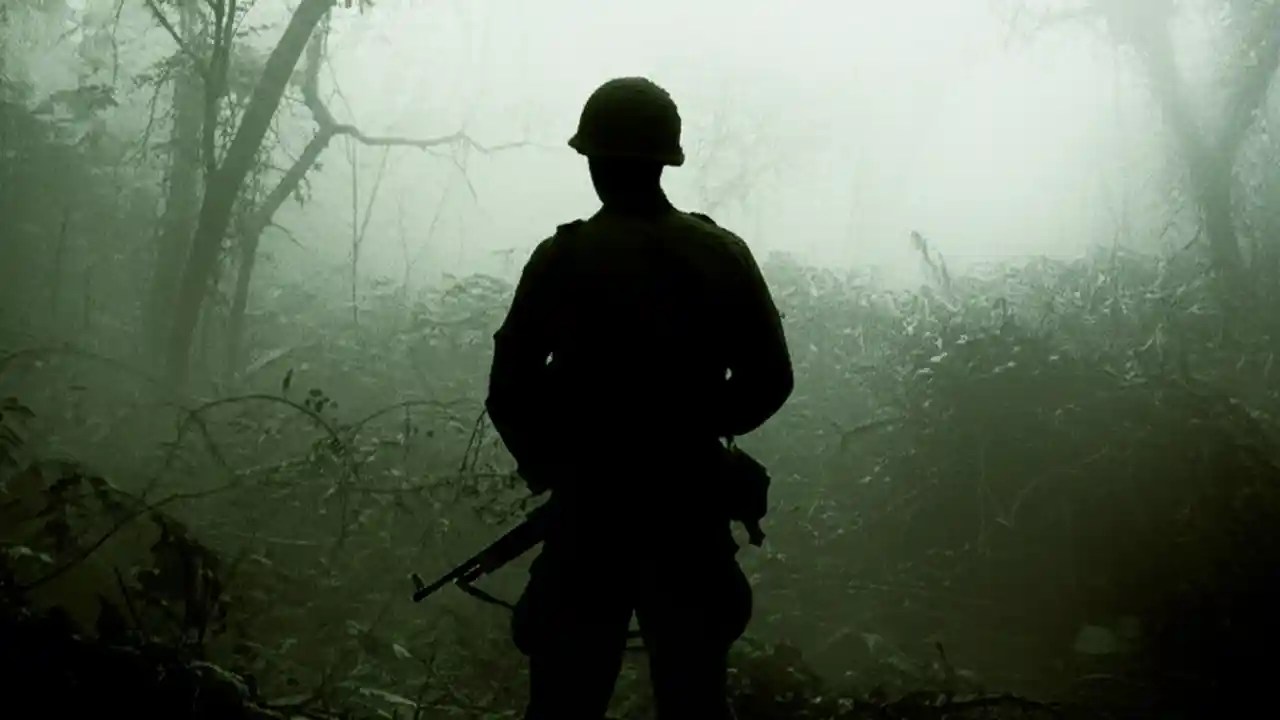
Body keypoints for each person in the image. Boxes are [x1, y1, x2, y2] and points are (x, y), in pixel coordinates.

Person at [485, 76, 794, 720]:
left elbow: (510, 389)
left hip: (588, 522)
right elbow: (770, 379)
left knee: (565, 705)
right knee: (694, 700)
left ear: (593, 159)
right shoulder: (720, 253)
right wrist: (691, 434)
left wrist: (559, 464)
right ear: (664, 160)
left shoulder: (563, 258)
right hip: (689, 519)